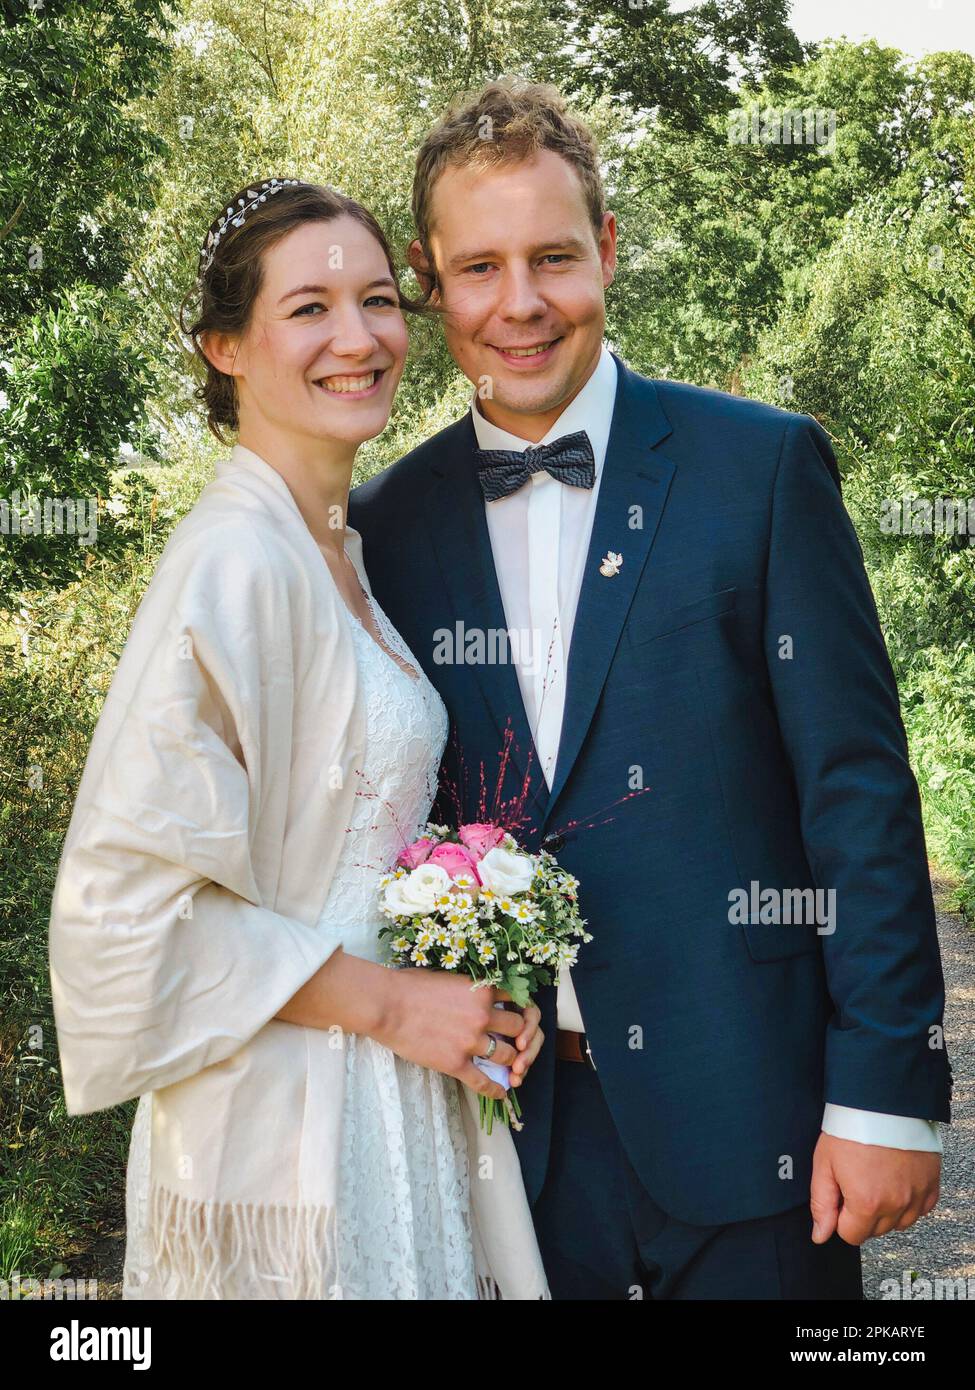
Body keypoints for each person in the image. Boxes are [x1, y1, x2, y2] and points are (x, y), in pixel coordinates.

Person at [348, 80, 953, 1300]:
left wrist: (889, 1091)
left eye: (554, 257)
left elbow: (858, 790)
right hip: (501, 1150)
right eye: (479, 268)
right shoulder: (379, 528)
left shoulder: (763, 464)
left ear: (608, 251)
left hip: (759, 1131)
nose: (520, 304)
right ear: (430, 279)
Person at [48, 178, 549, 1300]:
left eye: (377, 300)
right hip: (278, 1117)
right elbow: (119, 909)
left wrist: (463, 979)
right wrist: (394, 1004)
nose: (359, 337)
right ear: (226, 345)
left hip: (392, 1096)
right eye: (309, 308)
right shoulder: (233, 561)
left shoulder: (343, 553)